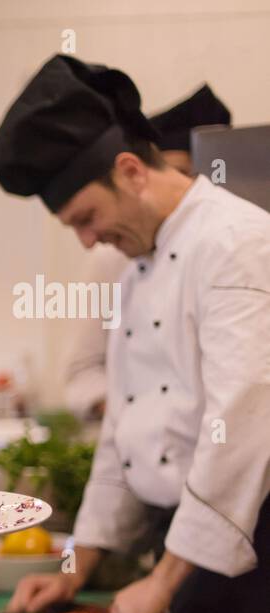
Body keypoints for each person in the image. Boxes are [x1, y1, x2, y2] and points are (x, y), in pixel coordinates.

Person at [0, 55, 270, 613]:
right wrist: (79, 562)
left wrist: (167, 575)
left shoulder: (237, 242)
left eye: (86, 216)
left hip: (249, 562)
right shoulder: (139, 263)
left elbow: (243, 426)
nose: (86, 240)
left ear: (129, 169)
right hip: (186, 550)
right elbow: (125, 430)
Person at [63, 84, 232, 421]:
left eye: (197, 178)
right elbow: (81, 374)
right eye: (178, 174)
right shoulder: (115, 255)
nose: (186, 190)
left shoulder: (232, 244)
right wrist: (141, 421)